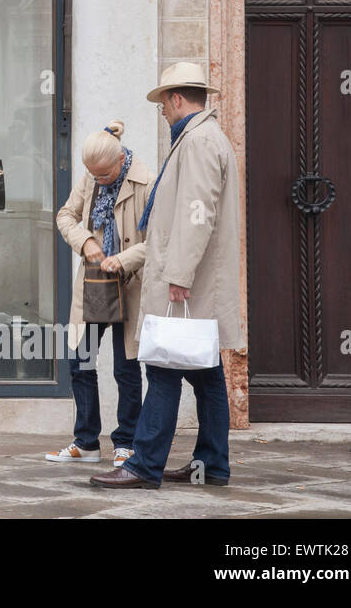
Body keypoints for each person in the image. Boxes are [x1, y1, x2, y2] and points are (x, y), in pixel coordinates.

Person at [91, 62, 244, 489]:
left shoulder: (196, 142)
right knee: (206, 373)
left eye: (162, 102)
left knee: (161, 368)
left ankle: (143, 465)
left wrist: (179, 275)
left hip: (186, 285)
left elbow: (197, 215)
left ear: (177, 99)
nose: (161, 110)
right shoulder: (205, 138)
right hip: (196, 283)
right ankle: (210, 465)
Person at [46, 120, 153, 467]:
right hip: (93, 284)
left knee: (126, 368)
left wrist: (121, 260)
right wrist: (86, 241)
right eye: (93, 174)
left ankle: (127, 443)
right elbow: (65, 216)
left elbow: (158, 242)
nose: (98, 179)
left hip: (129, 285)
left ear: (121, 160)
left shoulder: (147, 183)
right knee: (80, 361)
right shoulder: (91, 177)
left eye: (104, 174)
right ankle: (87, 442)